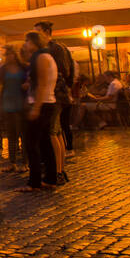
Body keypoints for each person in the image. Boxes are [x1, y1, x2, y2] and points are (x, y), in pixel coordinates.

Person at [19, 31, 58, 191]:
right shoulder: (44, 56)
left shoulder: (41, 58)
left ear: (34, 42)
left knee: (32, 144)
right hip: (47, 102)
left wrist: (36, 108)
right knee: (44, 143)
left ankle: (34, 182)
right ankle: (50, 179)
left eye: (27, 41)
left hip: (42, 103)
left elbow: (42, 84)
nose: (26, 43)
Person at [34, 21, 75, 158]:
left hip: (56, 93)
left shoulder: (55, 48)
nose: (36, 35)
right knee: (56, 129)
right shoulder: (48, 48)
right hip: (55, 92)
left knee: (55, 130)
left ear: (46, 32)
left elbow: (66, 71)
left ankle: (59, 161)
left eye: (38, 31)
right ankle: (58, 162)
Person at [0, 49, 27, 168]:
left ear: (15, 55)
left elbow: (30, 79)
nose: (9, 57)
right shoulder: (4, 69)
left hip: (21, 103)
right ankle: (12, 162)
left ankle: (25, 162)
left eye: (11, 54)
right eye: (7, 55)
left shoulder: (23, 67)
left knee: (23, 134)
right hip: (8, 103)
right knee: (11, 135)